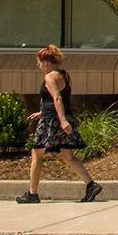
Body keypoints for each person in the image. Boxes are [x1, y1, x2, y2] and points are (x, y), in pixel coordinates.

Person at [18, 45, 101, 203]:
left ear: (46, 61)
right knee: (67, 155)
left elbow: (57, 98)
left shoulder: (50, 77)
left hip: (52, 121)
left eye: (39, 62)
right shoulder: (65, 75)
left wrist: (61, 120)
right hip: (60, 117)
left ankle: (32, 194)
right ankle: (91, 185)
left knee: (37, 154)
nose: (39, 66)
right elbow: (57, 99)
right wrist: (42, 112)